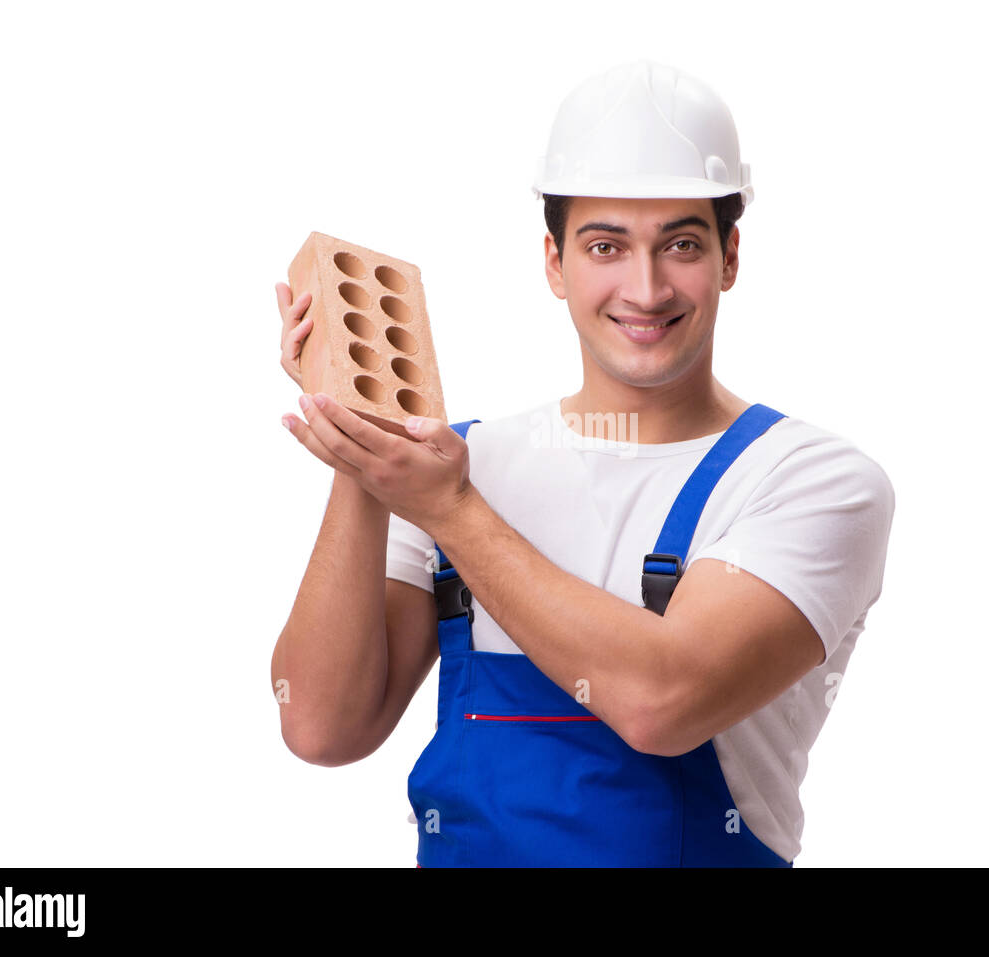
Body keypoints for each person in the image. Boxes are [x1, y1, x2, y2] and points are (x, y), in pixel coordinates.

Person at [271, 59, 895, 867]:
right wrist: (359, 440)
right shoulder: (457, 461)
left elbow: (663, 701)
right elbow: (321, 725)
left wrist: (452, 509)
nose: (645, 287)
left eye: (680, 243)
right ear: (555, 263)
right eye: (606, 245)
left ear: (730, 258)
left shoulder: (809, 479)